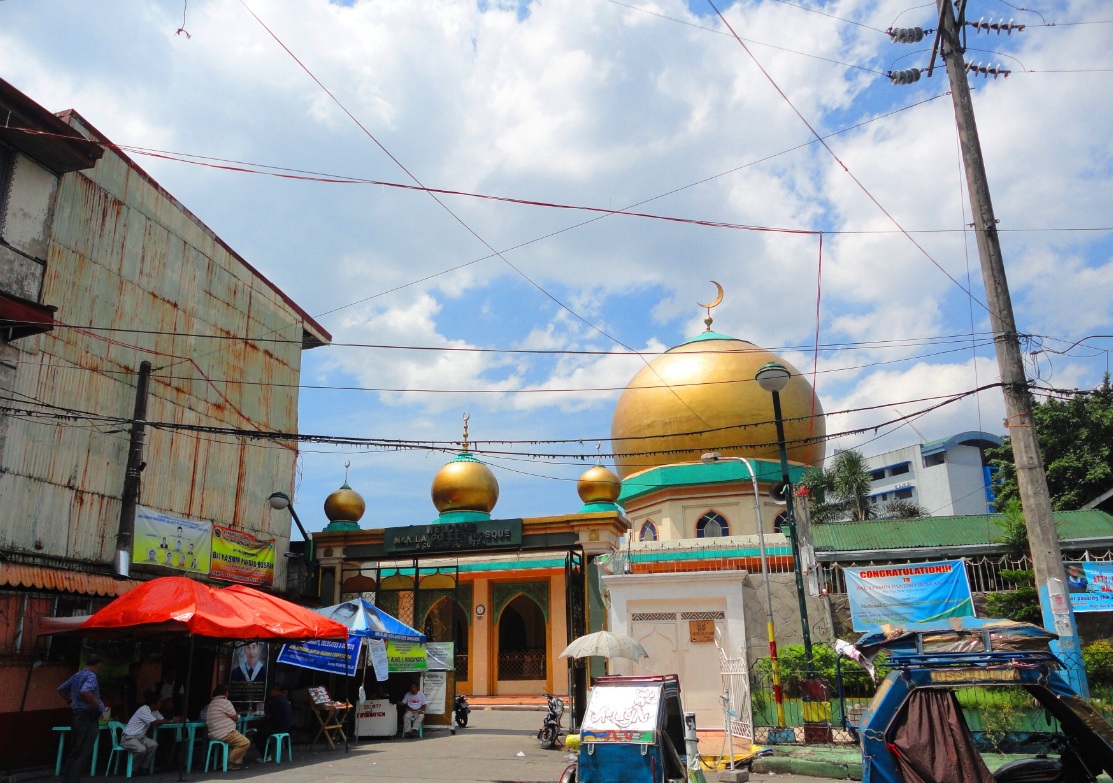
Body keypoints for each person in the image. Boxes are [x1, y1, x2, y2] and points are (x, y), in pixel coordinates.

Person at [57, 654, 108, 783]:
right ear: (96, 664)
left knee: (75, 749)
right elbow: (85, 691)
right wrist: (98, 704)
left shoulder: (77, 675)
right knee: (84, 749)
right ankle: (74, 779)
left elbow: (61, 689)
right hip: (87, 716)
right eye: (99, 666)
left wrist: (70, 701)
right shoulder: (91, 676)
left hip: (77, 716)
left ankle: (67, 779)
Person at [120, 693, 176, 772]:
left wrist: (173, 720)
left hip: (140, 737)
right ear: (153, 704)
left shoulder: (155, 711)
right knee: (141, 749)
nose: (161, 704)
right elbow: (156, 722)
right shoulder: (144, 710)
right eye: (159, 702)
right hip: (128, 738)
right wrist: (172, 720)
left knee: (154, 744)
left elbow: (163, 720)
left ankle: (143, 767)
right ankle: (132, 769)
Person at [204, 685, 251, 769]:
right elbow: (236, 718)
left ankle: (228, 762)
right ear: (225, 693)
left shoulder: (212, 703)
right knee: (245, 742)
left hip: (212, 733)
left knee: (234, 744)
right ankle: (229, 763)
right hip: (225, 732)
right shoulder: (225, 702)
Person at [252, 685, 292, 756]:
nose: (270, 692)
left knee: (257, 735)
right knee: (262, 732)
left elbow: (268, 716)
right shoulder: (285, 700)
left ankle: (266, 755)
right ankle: (267, 752)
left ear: (276, 690)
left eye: (271, 690)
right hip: (286, 727)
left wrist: (257, 723)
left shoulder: (276, 700)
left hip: (277, 727)